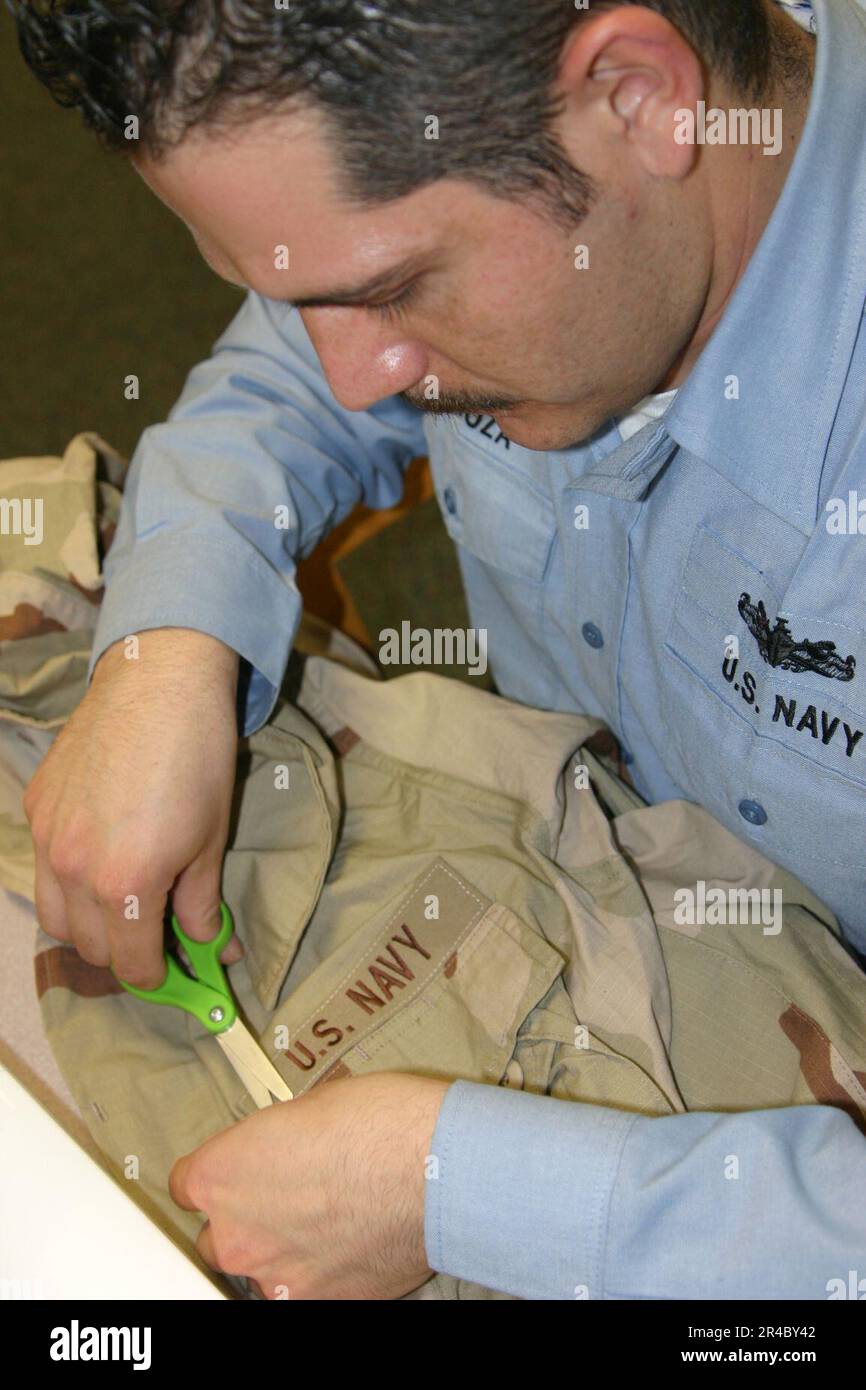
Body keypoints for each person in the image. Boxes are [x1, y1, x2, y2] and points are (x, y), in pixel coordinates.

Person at [9, 0, 866, 1299]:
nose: (356, 375)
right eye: (283, 288)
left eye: (389, 291)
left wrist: (477, 1194)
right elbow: (292, 375)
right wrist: (168, 639)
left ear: (638, 100)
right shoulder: (478, 220)